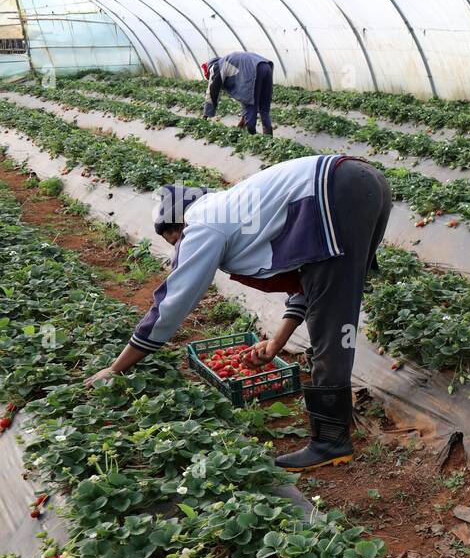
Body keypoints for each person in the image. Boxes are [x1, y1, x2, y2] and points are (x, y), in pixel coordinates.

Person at [84, 155, 392, 472]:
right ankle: (331, 435)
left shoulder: (202, 224)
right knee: (331, 296)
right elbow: (307, 281)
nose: (179, 250)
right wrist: (275, 344)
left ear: (180, 224)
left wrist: (116, 368)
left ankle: (330, 442)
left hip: (336, 188)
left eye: (176, 241)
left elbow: (174, 302)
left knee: (332, 314)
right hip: (365, 180)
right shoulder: (234, 209)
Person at [202, 51, 275, 136]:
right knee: (264, 108)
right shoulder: (230, 61)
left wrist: (206, 115)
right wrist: (244, 117)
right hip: (266, 66)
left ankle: (252, 138)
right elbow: (241, 89)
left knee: (250, 104)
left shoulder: (217, 66)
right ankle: (268, 138)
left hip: (254, 71)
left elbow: (212, 91)